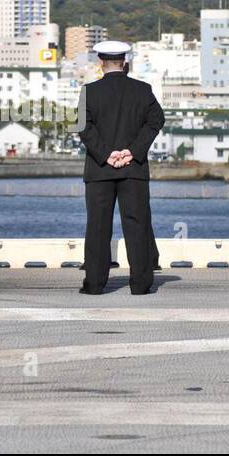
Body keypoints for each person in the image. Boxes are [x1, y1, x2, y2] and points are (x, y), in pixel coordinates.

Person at [78, 40, 165, 295]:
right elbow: (156, 121)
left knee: (97, 227)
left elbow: (83, 127)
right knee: (137, 225)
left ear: (100, 63)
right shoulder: (143, 90)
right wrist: (133, 151)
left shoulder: (89, 91)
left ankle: (94, 284)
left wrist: (106, 155)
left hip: (99, 170)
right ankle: (140, 284)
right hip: (134, 169)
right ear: (125, 63)